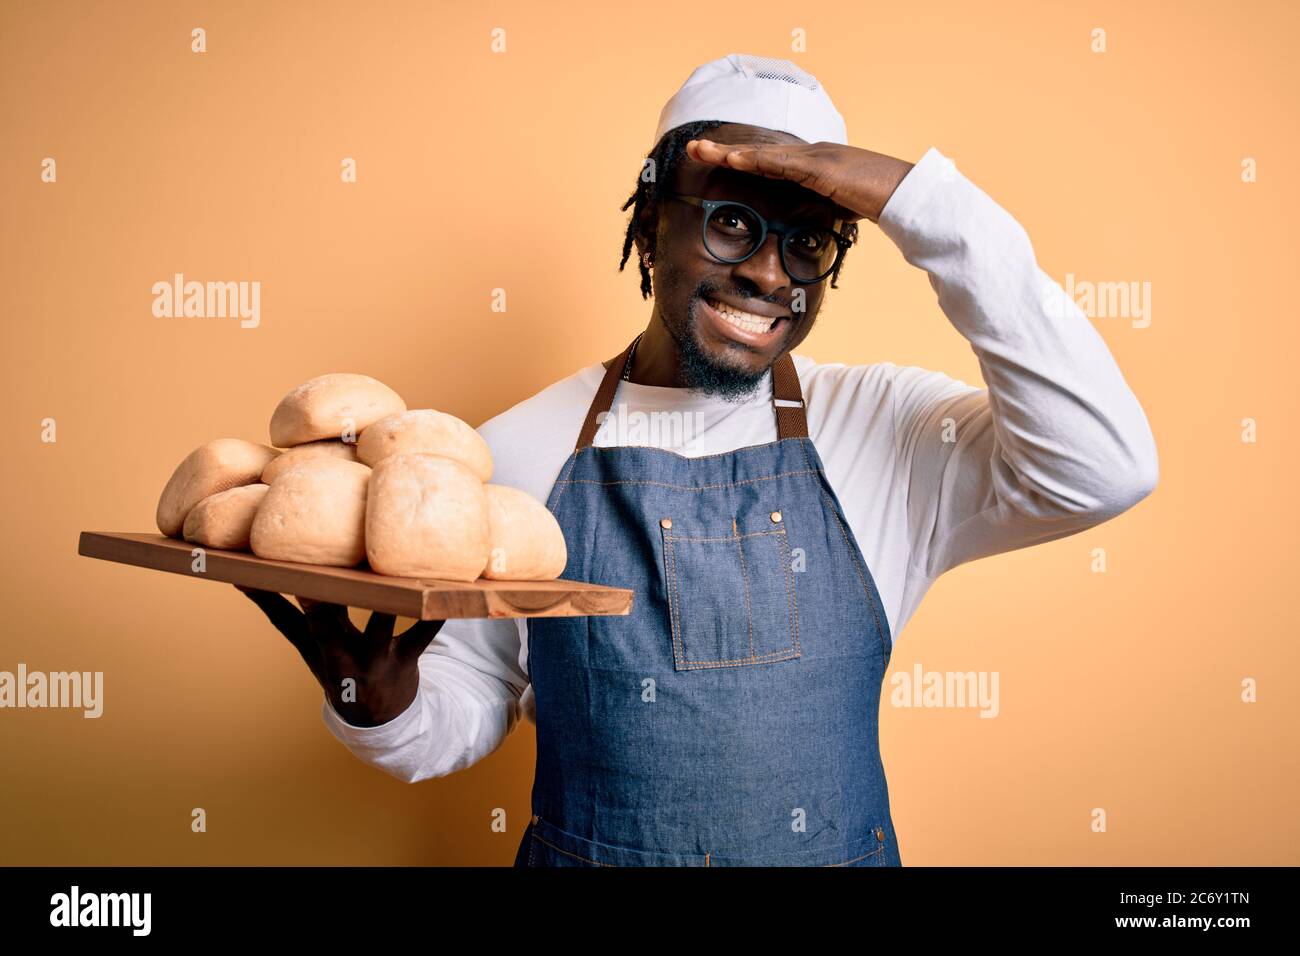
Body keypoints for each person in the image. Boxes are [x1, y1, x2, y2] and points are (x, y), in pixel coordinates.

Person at [239, 53, 1158, 867]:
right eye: (730, 223)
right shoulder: (518, 447)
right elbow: (476, 690)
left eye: (808, 240)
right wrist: (379, 705)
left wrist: (922, 201)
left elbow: (1103, 465)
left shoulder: (889, 429)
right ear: (650, 230)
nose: (770, 274)